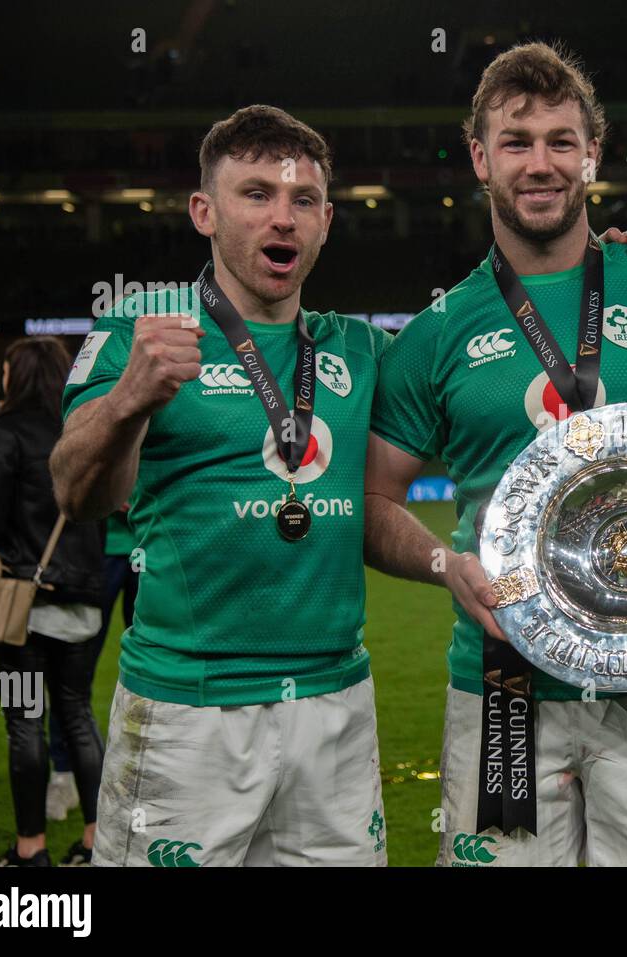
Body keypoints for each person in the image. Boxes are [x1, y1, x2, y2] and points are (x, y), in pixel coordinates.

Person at [365, 42, 627, 867]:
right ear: (479, 157)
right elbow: (372, 502)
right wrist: (448, 566)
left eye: (561, 139)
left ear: (594, 151)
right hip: (503, 688)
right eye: (516, 141)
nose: (540, 162)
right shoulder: (438, 331)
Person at [51, 105, 394, 866]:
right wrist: (127, 399)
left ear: (327, 221)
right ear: (204, 210)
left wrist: (614, 258)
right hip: (187, 710)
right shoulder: (139, 327)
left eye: (303, 200)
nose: (283, 218)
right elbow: (76, 492)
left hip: (335, 703)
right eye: (257, 194)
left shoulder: (359, 348)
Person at [0, 337, 107, 866]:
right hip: (85, 596)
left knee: (25, 722)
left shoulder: (2, 429)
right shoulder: (82, 427)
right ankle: (95, 844)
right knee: (77, 715)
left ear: (15, 377)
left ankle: (30, 850)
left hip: (20, 600)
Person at [45, 506, 139, 822]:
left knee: (153, 673)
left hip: (154, 547)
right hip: (94, 551)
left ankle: (140, 773)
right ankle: (63, 772)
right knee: (71, 673)